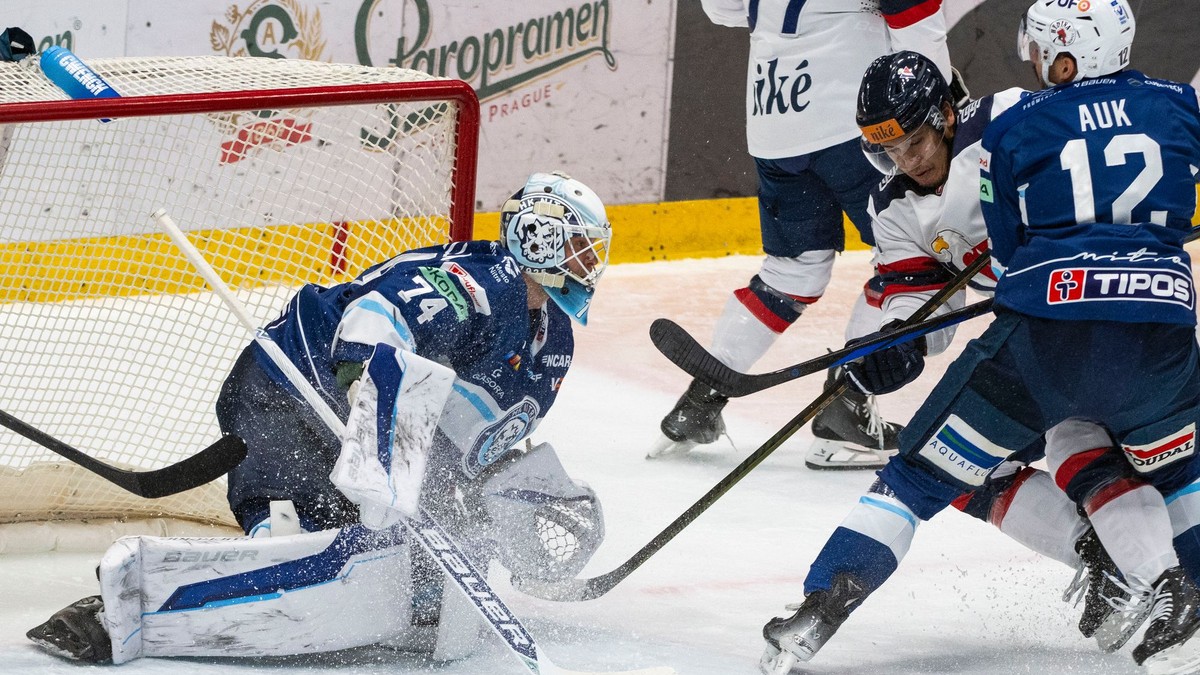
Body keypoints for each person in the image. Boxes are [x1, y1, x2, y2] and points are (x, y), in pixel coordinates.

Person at [757, 2, 1200, 672]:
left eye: (914, 141)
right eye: (886, 150)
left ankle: (828, 596)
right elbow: (916, 308)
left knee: (952, 461)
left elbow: (1020, 244)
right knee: (994, 467)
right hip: (1135, 321)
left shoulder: (1011, 118)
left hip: (1043, 334)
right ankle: (1111, 555)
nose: (905, 160)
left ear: (944, 115)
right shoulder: (895, 208)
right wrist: (897, 347)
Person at [25, 171, 613, 664]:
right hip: (291, 389)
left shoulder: (553, 335)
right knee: (293, 545)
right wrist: (371, 401)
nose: (593, 262)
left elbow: (471, 432)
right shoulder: (474, 282)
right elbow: (375, 320)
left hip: (360, 431)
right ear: (539, 239)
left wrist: (503, 490)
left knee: (400, 580)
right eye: (582, 246)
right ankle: (118, 609)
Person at [651, 0, 956, 469]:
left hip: (774, 116)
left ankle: (702, 399)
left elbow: (720, 7)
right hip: (854, 120)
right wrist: (937, 104)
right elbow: (918, 25)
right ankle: (846, 407)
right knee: (911, 257)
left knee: (793, 268)